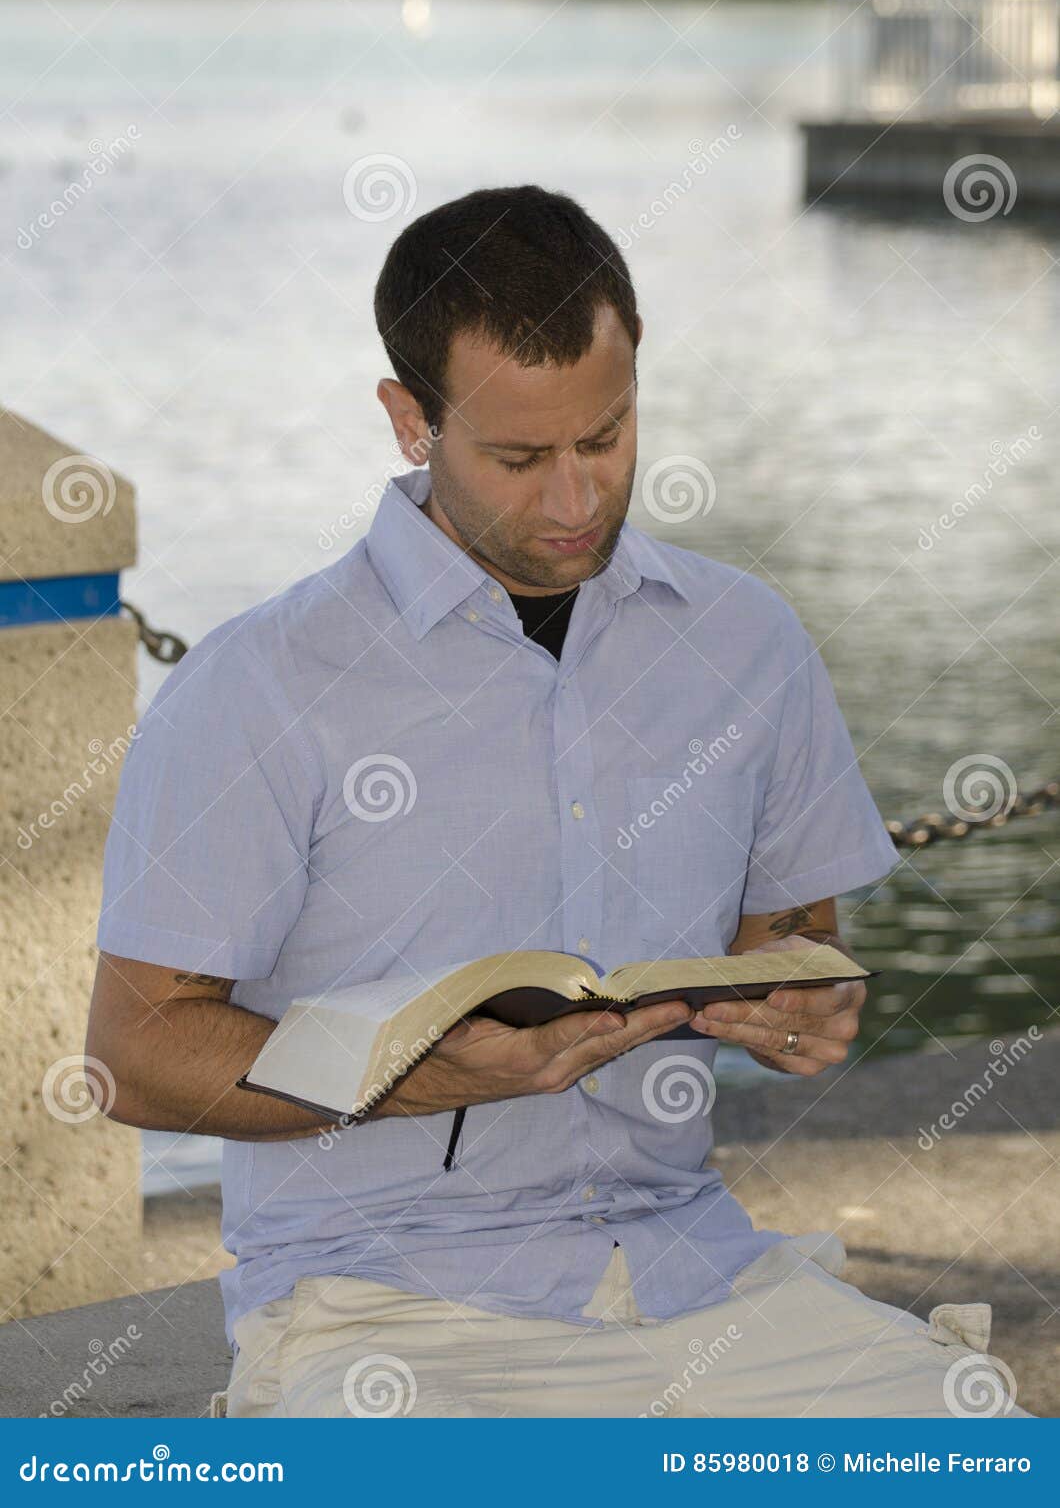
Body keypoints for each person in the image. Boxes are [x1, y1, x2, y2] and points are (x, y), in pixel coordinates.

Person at [86, 185, 1027, 1419]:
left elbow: (796, 946)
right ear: (410, 420)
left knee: (975, 1457)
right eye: (521, 459)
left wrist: (802, 1004)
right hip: (383, 1305)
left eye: (606, 437)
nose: (577, 499)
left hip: (696, 1270)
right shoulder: (260, 686)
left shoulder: (745, 641)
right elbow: (133, 1056)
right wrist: (426, 1075)